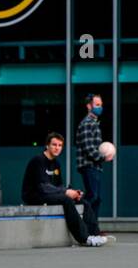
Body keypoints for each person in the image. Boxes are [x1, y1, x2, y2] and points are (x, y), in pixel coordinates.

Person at [21, 133, 111, 247]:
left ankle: (95, 234)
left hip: (49, 194)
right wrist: (66, 193)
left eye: (60, 145)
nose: (57, 148)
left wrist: (73, 192)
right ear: (47, 146)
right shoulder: (38, 161)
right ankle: (84, 238)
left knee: (84, 202)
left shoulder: (56, 163)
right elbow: (43, 187)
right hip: (34, 195)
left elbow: (59, 186)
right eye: (54, 144)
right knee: (66, 199)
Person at [75, 93, 109, 225]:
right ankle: (83, 226)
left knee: (97, 198)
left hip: (95, 166)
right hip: (89, 166)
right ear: (89, 106)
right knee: (92, 196)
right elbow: (88, 148)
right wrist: (104, 157)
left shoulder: (93, 123)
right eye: (97, 105)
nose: (100, 107)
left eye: (101, 105)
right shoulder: (87, 123)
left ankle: (93, 228)